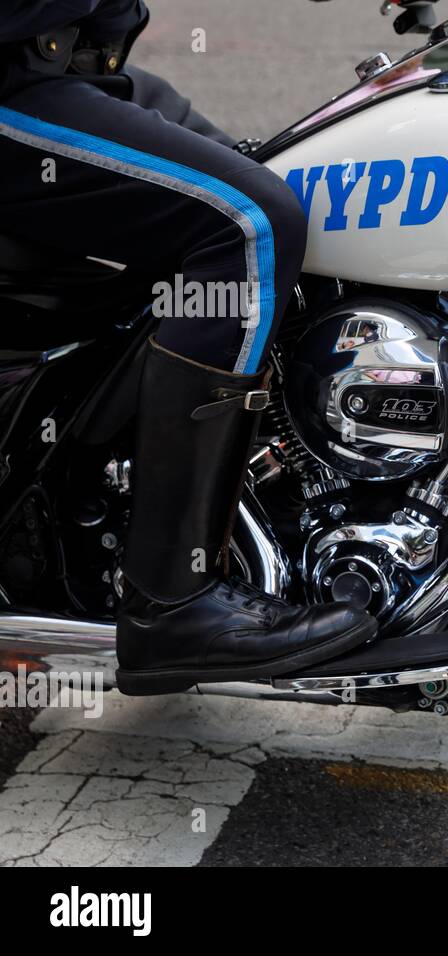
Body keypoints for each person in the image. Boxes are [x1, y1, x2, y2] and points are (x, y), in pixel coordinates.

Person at [0, 1, 377, 695]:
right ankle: (170, 600)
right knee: (249, 226)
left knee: (296, 177)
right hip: (14, 85)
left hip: (73, 70)